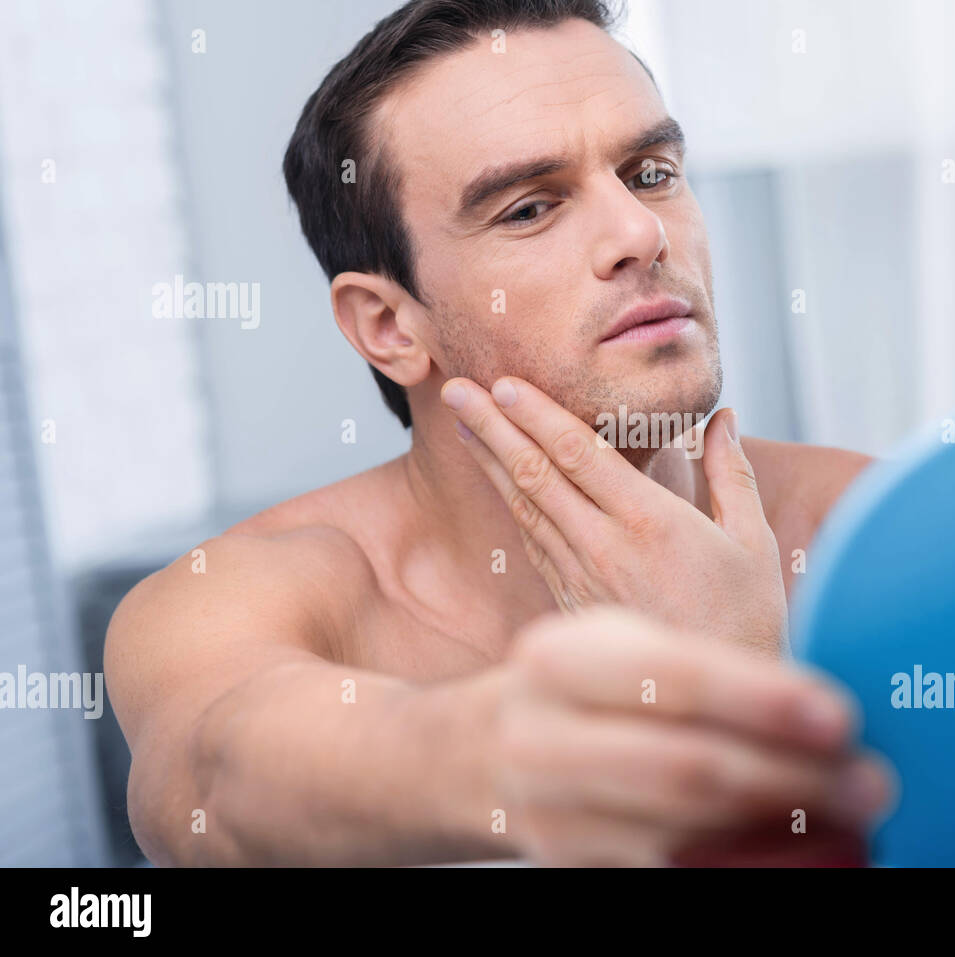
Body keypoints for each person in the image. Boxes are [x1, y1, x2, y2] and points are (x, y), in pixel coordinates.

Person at [105, 0, 895, 866]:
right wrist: (517, 754)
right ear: (388, 326)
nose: (641, 232)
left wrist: (737, 671)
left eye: (650, 171)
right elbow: (214, 779)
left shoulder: (879, 528)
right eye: (527, 209)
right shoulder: (245, 596)